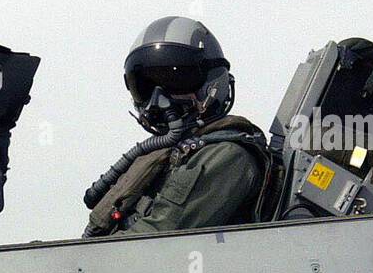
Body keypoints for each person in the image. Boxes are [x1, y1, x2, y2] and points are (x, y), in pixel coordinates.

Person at [82, 18, 274, 237]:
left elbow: (152, 241)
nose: (158, 98)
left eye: (175, 79)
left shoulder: (227, 157)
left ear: (212, 83)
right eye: (145, 85)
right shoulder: (170, 155)